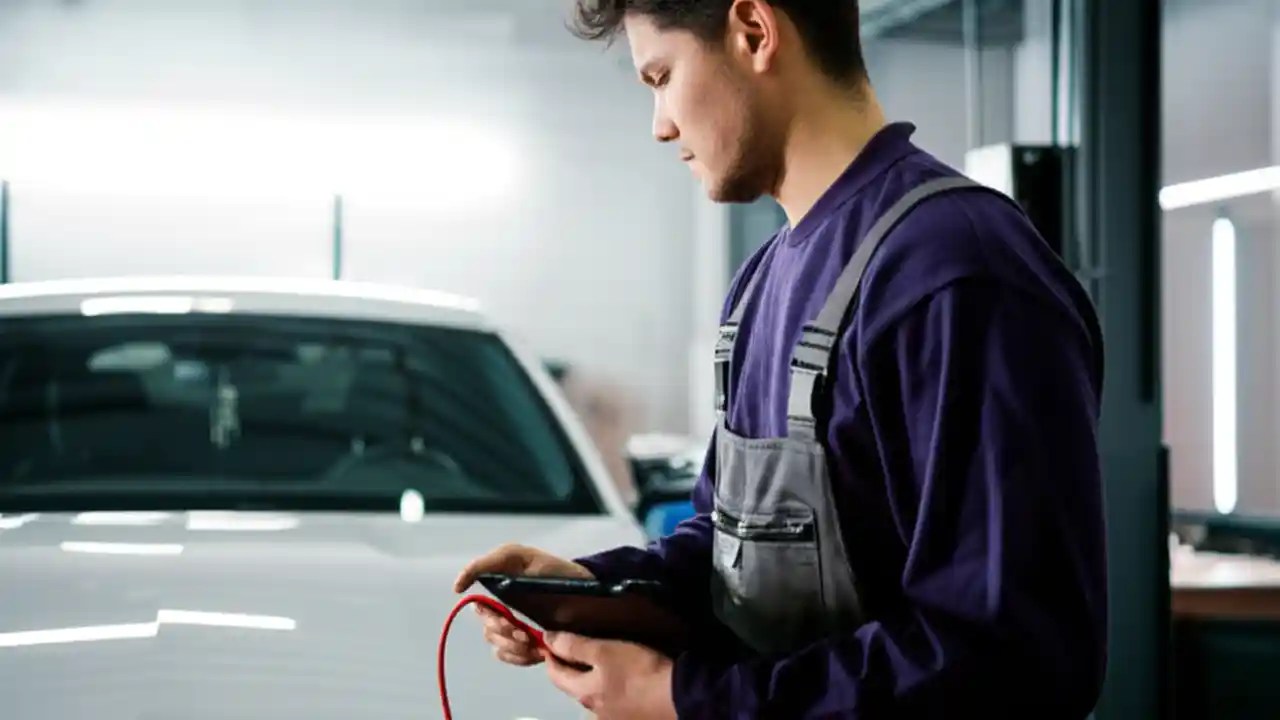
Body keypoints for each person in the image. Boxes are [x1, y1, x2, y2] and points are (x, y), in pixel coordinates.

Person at [453, 1, 1108, 717]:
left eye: (662, 76)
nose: (661, 124)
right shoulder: (761, 283)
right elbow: (736, 546)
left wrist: (685, 698)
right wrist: (595, 589)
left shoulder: (955, 274)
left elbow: (1010, 657)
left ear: (754, 33)